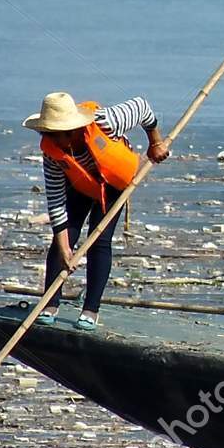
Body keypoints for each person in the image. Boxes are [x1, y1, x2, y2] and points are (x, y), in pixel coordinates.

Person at [24, 92, 169, 330]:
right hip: (80, 185)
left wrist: (155, 142)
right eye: (51, 134)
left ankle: (90, 310)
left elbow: (142, 106)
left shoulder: (105, 121)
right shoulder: (52, 153)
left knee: (100, 241)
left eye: (61, 134)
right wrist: (64, 247)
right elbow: (56, 199)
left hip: (114, 184)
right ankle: (49, 303)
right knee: (63, 241)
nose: (58, 141)